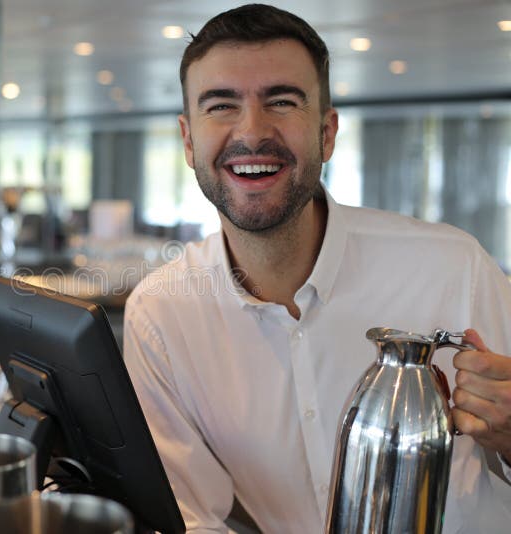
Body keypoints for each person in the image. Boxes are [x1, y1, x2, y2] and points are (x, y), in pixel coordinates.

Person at [122, 4, 511, 533]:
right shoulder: (162, 316)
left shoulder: (454, 268)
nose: (252, 131)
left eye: (281, 101)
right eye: (221, 105)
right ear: (189, 140)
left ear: (326, 132)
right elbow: (190, 518)